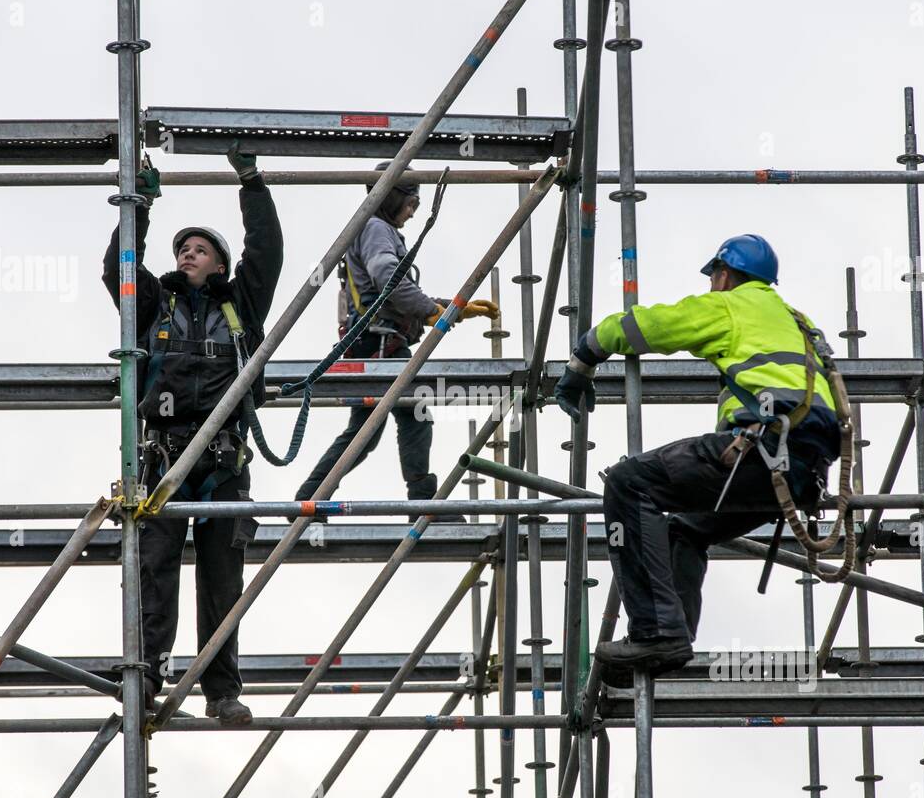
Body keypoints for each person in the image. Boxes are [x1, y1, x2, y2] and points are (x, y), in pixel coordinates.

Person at [553, 234, 842, 684]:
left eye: (714, 278)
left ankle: (654, 630)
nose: (711, 286)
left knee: (629, 483)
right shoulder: (797, 321)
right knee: (683, 529)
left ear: (726, 275)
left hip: (762, 452)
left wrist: (584, 355)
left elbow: (649, 326)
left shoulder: (733, 305)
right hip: (803, 473)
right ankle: (669, 641)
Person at [103, 142, 283, 724]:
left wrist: (251, 181)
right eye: (183, 248)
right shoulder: (153, 303)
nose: (187, 254)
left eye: (199, 249)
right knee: (154, 568)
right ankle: (147, 669)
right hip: (162, 464)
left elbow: (268, 251)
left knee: (221, 581)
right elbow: (119, 269)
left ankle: (221, 691)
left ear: (221, 266)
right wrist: (140, 207)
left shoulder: (241, 307)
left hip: (224, 465)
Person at [292, 162, 497, 519]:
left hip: (375, 341)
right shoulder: (375, 228)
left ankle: (311, 497)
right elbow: (387, 277)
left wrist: (456, 309)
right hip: (378, 344)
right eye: (411, 204)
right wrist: (430, 311)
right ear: (392, 197)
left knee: (369, 432)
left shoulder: (373, 228)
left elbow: (391, 292)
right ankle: (421, 502)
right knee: (411, 418)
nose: (413, 213)